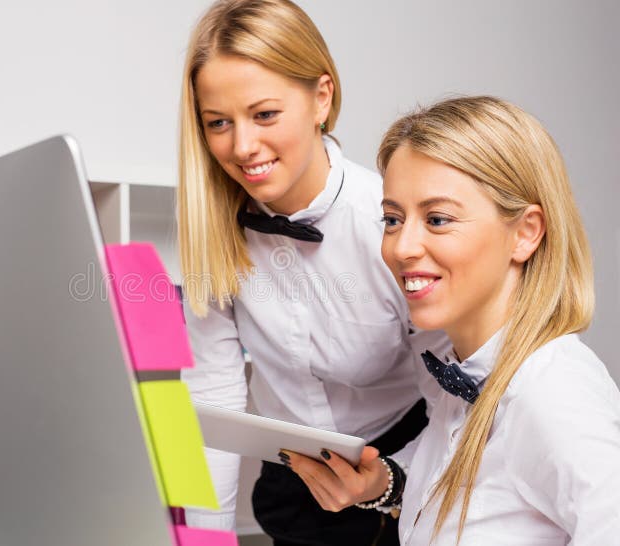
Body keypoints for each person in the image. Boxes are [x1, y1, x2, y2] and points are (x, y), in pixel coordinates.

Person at [287, 95, 620, 544]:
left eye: (438, 219)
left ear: (525, 233)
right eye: (392, 219)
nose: (402, 247)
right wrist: (381, 483)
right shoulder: (463, 378)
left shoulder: (553, 392)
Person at [177, 1, 447, 544]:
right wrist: (205, 540)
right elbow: (211, 397)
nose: (243, 146)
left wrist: (391, 482)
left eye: (265, 114)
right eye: (218, 123)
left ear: (321, 97)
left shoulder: (392, 226)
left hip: (403, 483)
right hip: (290, 492)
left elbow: (454, 403)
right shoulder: (211, 225)